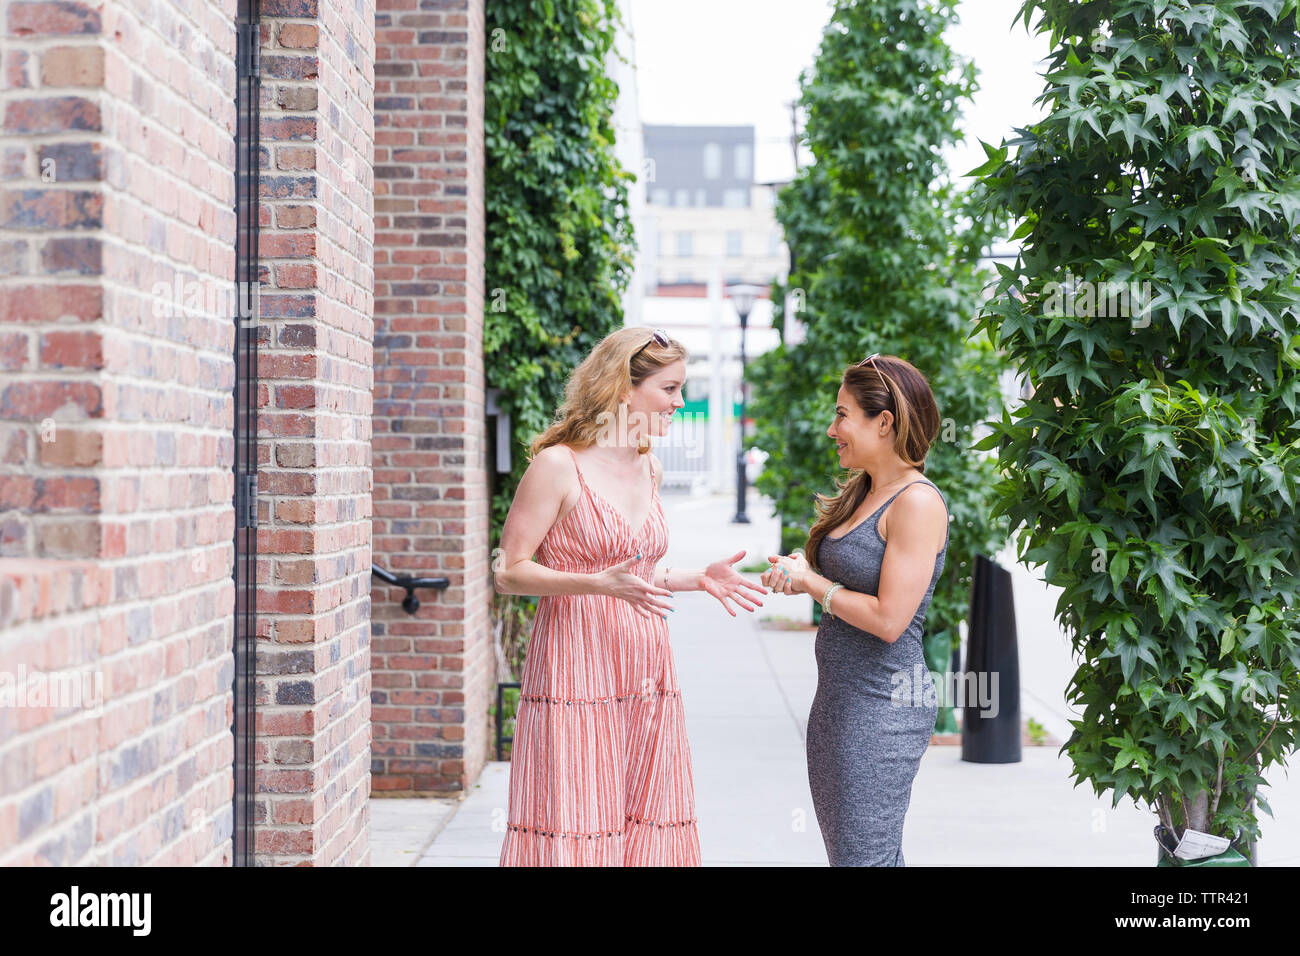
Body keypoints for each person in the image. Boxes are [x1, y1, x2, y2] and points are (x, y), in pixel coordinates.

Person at [493, 326, 767, 866]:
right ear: (624, 387)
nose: (680, 402)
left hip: (645, 662)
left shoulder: (651, 467)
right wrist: (592, 584)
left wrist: (695, 578)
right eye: (669, 389)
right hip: (575, 659)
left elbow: (634, 572)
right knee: (574, 810)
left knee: (645, 808)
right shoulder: (557, 465)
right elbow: (508, 571)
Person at [763, 353, 950, 866]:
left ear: (884, 422)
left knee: (863, 861)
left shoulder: (917, 503)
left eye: (843, 414)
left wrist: (813, 584)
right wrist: (800, 572)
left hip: (882, 708)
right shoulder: (864, 490)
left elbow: (890, 620)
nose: (832, 429)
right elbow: (843, 578)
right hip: (839, 703)